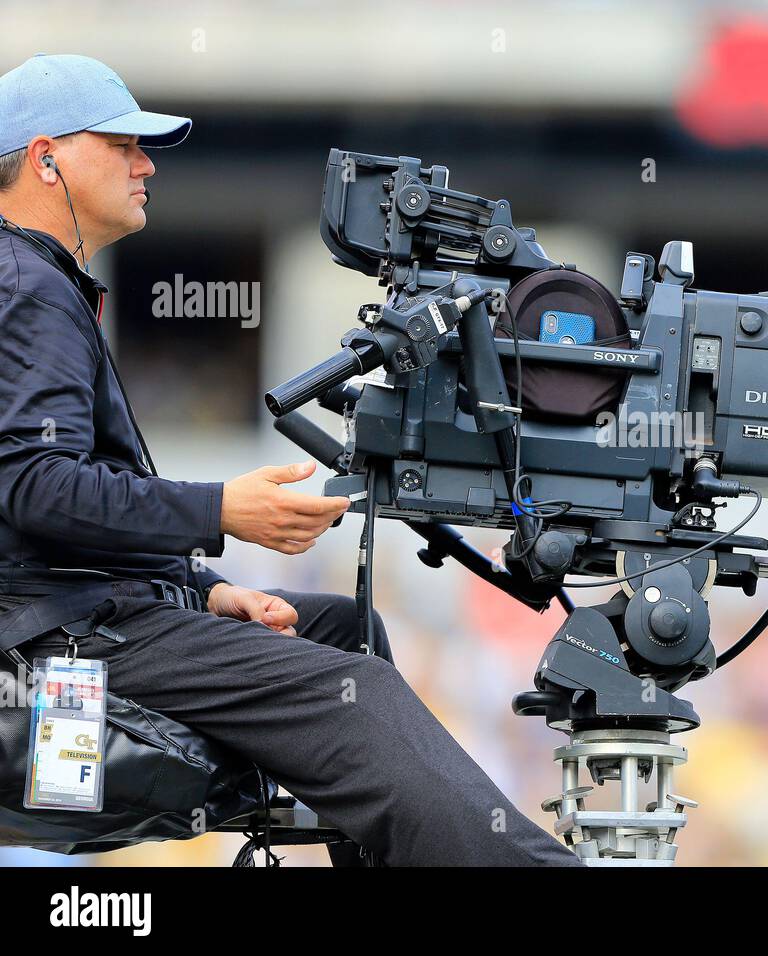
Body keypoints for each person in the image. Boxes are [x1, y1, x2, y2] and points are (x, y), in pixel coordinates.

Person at [0, 54, 579, 867]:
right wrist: (220, 512)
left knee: (346, 632)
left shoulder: (36, 280)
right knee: (358, 694)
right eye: (123, 143)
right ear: (46, 155)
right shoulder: (26, 284)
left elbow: (52, 511)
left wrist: (209, 589)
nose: (146, 163)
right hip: (57, 644)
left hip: (83, 609)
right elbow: (34, 491)